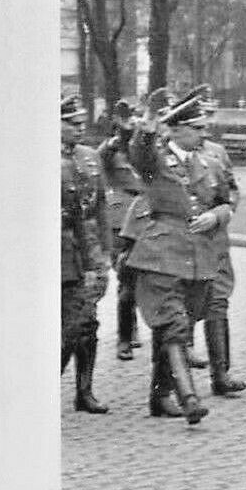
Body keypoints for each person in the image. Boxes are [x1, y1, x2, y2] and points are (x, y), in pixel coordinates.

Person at [121, 95, 234, 425]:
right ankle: (189, 398)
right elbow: (139, 153)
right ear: (177, 130)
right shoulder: (158, 161)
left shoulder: (208, 162)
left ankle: (159, 395)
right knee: (175, 325)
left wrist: (216, 217)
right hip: (163, 251)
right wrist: (148, 124)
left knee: (175, 325)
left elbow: (226, 202)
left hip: (199, 256)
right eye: (197, 128)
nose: (204, 133)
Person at [190, 86, 246, 398]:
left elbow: (232, 191)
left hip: (215, 241)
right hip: (184, 242)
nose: (206, 124)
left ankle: (220, 372)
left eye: (208, 117)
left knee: (218, 301)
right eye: (200, 118)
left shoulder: (217, 153)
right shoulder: (167, 153)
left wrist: (221, 216)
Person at [60, 95, 110, 414]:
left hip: (85, 251)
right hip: (55, 253)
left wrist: (104, 252)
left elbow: (100, 207)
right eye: (71, 123)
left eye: (81, 122)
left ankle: (84, 391)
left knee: (86, 323)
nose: (80, 128)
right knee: (62, 326)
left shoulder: (90, 157)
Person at [98, 100, 146, 361]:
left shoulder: (146, 151)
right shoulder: (112, 151)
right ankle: (125, 338)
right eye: (129, 122)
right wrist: (122, 134)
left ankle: (134, 326)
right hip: (121, 219)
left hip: (147, 216)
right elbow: (104, 152)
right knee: (127, 280)